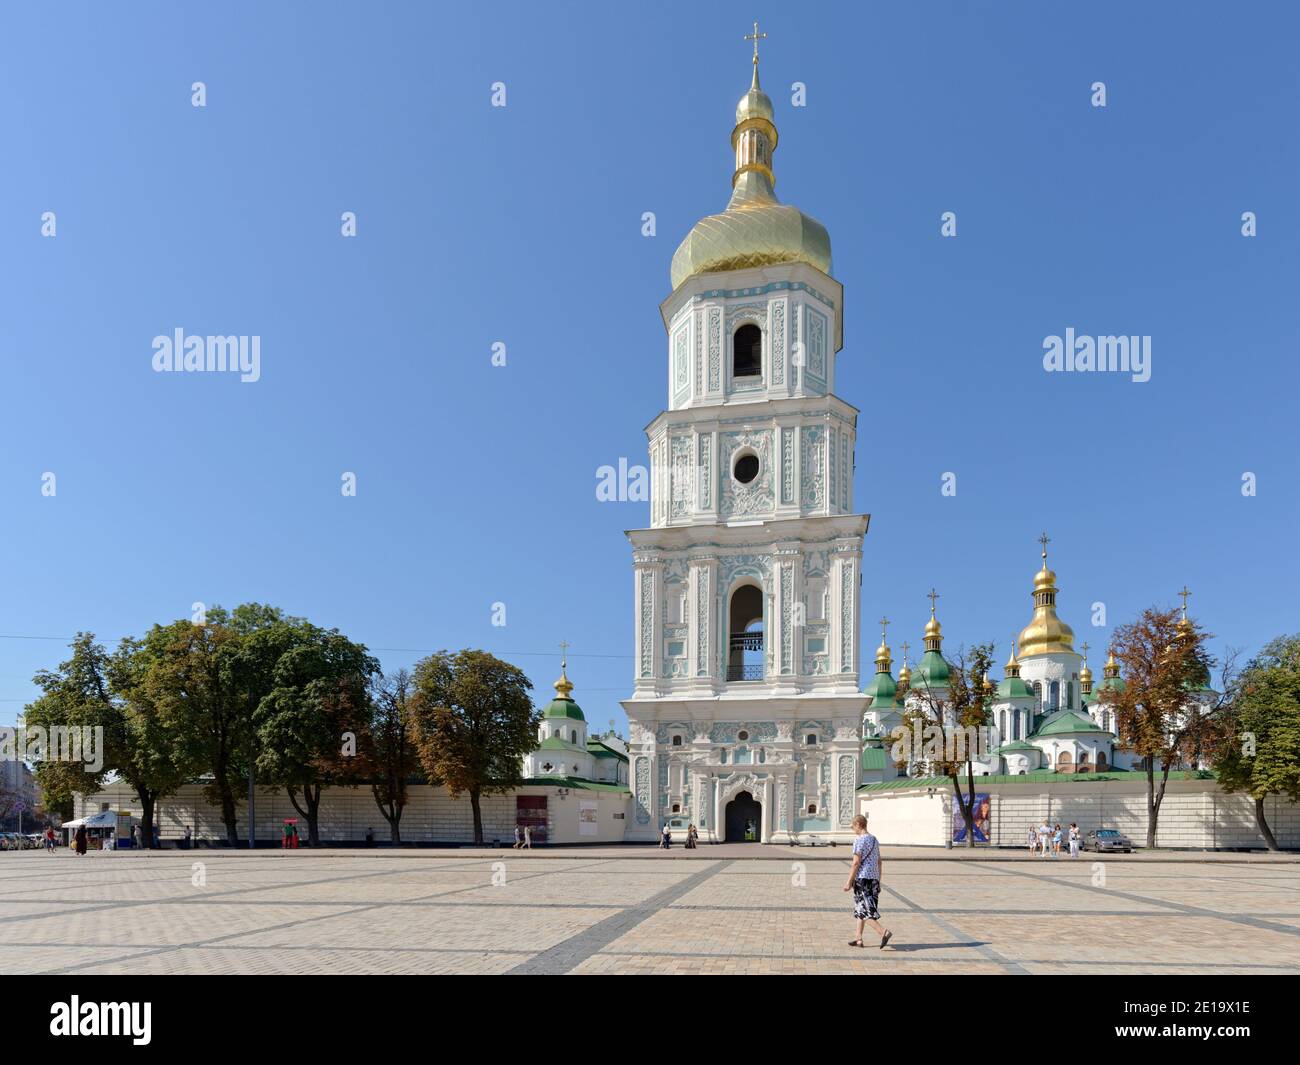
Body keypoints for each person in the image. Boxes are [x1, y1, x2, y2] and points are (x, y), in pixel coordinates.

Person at [844, 814, 892, 949]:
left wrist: (849, 881)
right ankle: (858, 938)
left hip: (862, 879)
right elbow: (879, 862)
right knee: (862, 908)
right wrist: (879, 881)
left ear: (858, 825)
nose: (853, 830)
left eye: (853, 827)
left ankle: (883, 932)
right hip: (874, 879)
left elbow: (856, 863)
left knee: (865, 912)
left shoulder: (859, 840)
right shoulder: (875, 840)